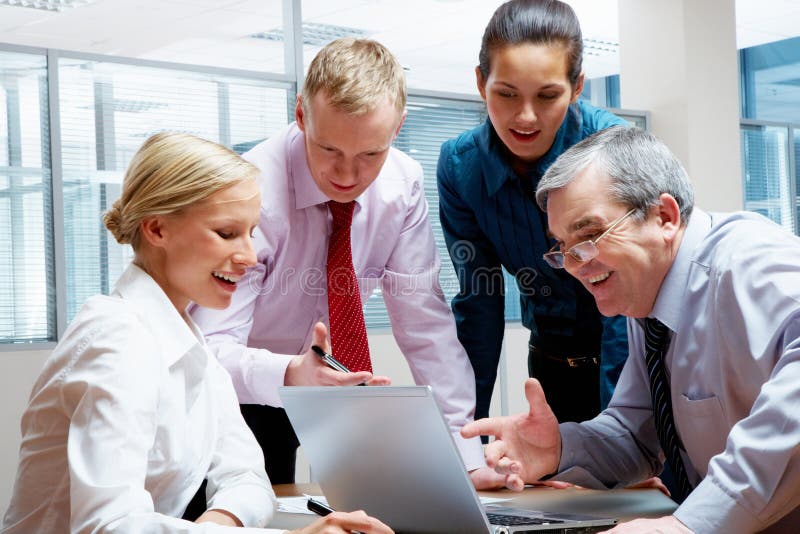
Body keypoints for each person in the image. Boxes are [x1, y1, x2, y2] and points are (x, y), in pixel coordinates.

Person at [1, 132, 392, 534]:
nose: (250, 256)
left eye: (251, 232)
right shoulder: (116, 340)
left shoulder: (191, 345)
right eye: (226, 233)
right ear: (156, 229)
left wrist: (216, 525)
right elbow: (110, 526)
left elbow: (248, 480)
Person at [189, 38, 502, 489]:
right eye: (329, 149)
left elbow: (426, 328)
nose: (347, 175)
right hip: (232, 393)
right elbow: (213, 350)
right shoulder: (252, 194)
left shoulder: (402, 183)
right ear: (301, 116)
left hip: (322, 383)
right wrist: (290, 373)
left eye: (370, 154)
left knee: (356, 505)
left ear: (397, 130)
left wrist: (465, 455)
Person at [462, 126, 800, 533]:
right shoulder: (649, 298)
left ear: (665, 217)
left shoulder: (748, 261)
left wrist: (688, 526)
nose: (573, 266)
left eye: (589, 235)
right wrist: (557, 449)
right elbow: (635, 433)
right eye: (563, 247)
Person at [437, 0, 628, 426]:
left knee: (635, 486)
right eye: (505, 94)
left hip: (628, 360)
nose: (525, 117)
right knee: (551, 487)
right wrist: (465, 435)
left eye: (547, 96)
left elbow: (626, 310)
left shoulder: (614, 150)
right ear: (480, 81)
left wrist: (623, 429)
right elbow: (479, 301)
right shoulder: (459, 167)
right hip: (550, 364)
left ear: (577, 86)